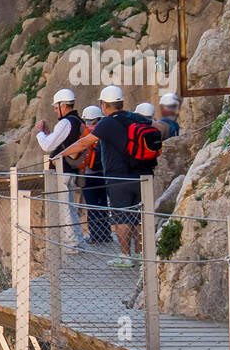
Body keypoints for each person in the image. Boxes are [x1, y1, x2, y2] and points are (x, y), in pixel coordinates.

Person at [60, 85, 161, 267]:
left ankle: (125, 256)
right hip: (144, 175)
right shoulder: (137, 118)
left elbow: (84, 143)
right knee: (138, 216)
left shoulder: (106, 123)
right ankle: (139, 254)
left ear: (104, 105)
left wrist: (59, 155)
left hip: (119, 177)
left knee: (121, 217)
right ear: (121, 102)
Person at [36, 88, 89, 245]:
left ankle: (72, 244)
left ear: (62, 105)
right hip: (72, 169)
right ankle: (78, 241)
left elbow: (47, 145)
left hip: (63, 170)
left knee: (65, 209)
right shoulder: (78, 121)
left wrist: (40, 132)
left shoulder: (66, 122)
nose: (54, 110)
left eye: (55, 107)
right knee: (70, 207)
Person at [78, 105, 111, 243]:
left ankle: (95, 235)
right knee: (103, 204)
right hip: (103, 174)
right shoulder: (105, 132)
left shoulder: (85, 133)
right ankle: (106, 234)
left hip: (88, 175)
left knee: (92, 206)